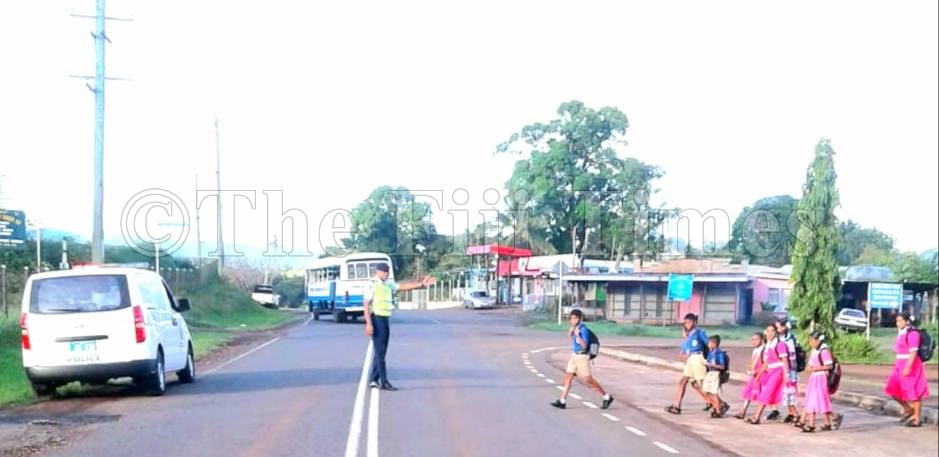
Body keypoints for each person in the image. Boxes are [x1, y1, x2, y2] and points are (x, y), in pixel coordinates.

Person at [363, 263, 432, 391]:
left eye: (387, 271)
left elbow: (402, 287)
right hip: (376, 319)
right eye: (383, 271)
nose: (386, 273)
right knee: (380, 352)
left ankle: (373, 380)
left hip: (385, 319)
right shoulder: (372, 284)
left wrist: (421, 284)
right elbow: (366, 304)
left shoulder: (388, 284)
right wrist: (369, 324)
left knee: (381, 352)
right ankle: (384, 382)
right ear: (377, 272)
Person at [551, 309, 614, 410]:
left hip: (582, 357)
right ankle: (562, 401)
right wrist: (571, 335)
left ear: (580, 318)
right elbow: (575, 343)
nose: (573, 320)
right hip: (574, 356)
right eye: (571, 318)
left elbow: (584, 345)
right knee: (568, 376)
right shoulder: (574, 328)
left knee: (588, 379)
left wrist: (577, 334)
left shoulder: (583, 330)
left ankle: (606, 397)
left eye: (575, 318)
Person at [884, 311, 931, 427]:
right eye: (897, 321)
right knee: (892, 388)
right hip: (899, 364)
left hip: (911, 365)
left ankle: (917, 418)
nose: (898, 323)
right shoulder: (902, 333)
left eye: (900, 321)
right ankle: (908, 408)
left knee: (913, 390)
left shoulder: (913, 334)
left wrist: (908, 367)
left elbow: (913, 352)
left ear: (907, 321)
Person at [665, 313, 710, 415]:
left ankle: (718, 403)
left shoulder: (699, 333)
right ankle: (676, 406)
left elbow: (709, 345)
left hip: (698, 359)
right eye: (685, 323)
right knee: (686, 383)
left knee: (702, 384)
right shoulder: (688, 338)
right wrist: (684, 357)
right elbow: (683, 353)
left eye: (689, 322)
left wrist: (711, 358)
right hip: (691, 361)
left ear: (694, 322)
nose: (686, 324)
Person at [800, 332, 843, 432]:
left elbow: (829, 366)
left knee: (816, 400)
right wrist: (810, 368)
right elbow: (810, 365)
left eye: (812, 341)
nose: (810, 343)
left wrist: (814, 369)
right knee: (815, 400)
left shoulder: (824, 351)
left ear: (818, 341)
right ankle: (828, 422)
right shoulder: (815, 351)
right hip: (814, 378)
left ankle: (811, 424)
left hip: (821, 378)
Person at [746, 324, 788, 424]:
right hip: (771, 371)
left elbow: (785, 360)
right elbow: (766, 362)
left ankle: (756, 417)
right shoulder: (769, 345)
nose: (769, 333)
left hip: (778, 371)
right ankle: (796, 416)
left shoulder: (780, 344)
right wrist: (759, 375)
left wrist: (786, 375)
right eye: (768, 331)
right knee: (769, 394)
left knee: (767, 393)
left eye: (772, 331)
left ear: (776, 332)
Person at [734, 331, 765, 420]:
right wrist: (751, 369)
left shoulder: (763, 350)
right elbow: (752, 362)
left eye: (756, 339)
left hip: (761, 375)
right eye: (753, 340)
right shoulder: (755, 350)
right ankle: (743, 411)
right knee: (748, 393)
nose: (754, 341)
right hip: (754, 375)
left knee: (761, 394)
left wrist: (757, 371)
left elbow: (765, 364)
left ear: (762, 340)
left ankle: (758, 414)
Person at [775, 318, 801, 423]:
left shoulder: (788, 340)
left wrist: (787, 374)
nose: (777, 329)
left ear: (784, 327)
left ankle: (796, 414)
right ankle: (790, 413)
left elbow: (789, 358)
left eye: (779, 327)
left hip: (790, 370)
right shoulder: (783, 338)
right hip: (788, 369)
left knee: (789, 392)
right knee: (787, 392)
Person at [703, 335, 730, 418]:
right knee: (707, 391)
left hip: (715, 373)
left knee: (714, 392)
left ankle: (717, 410)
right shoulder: (710, 353)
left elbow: (722, 366)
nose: (708, 345)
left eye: (709, 343)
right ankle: (718, 406)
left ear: (714, 343)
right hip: (710, 373)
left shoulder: (719, 353)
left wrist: (711, 365)